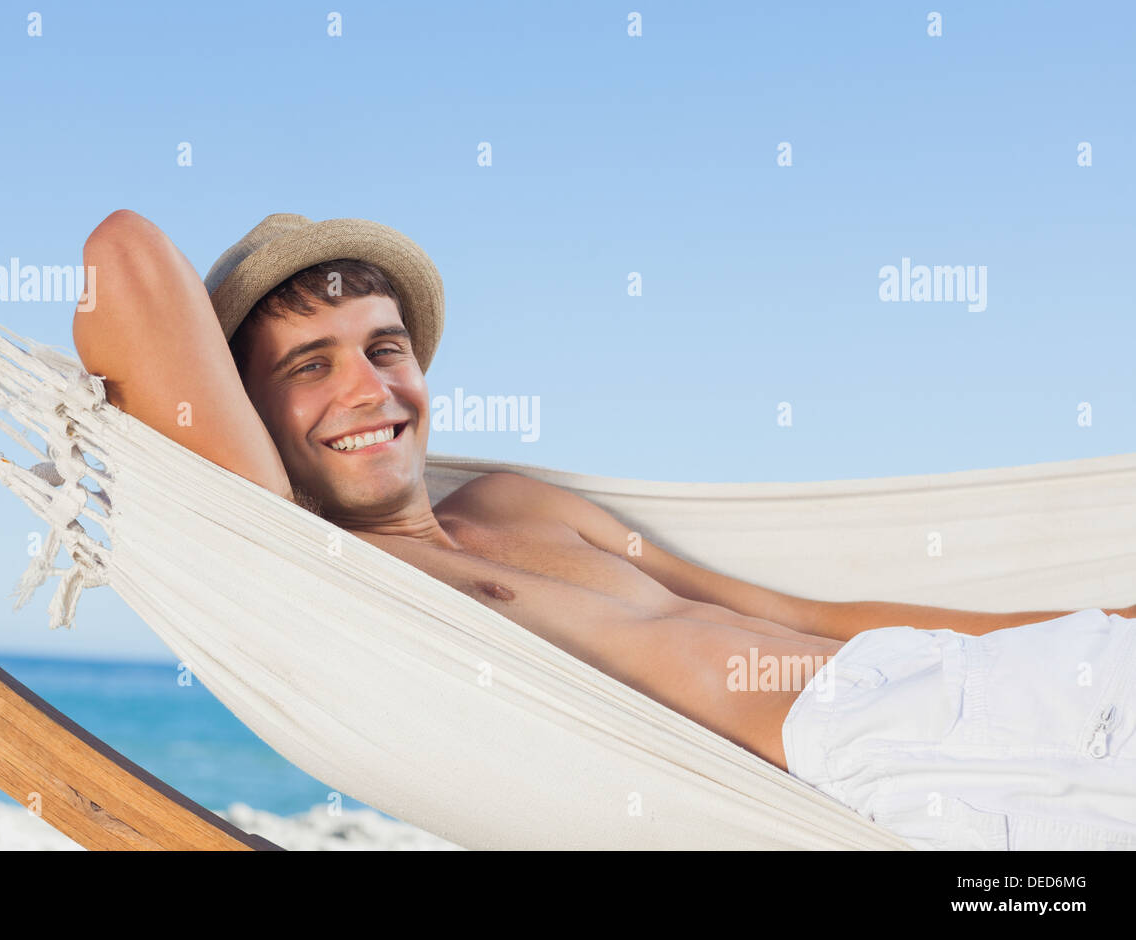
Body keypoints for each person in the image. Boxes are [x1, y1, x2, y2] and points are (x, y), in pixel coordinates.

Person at [71, 209, 1136, 849]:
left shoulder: (513, 502)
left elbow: (795, 612)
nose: (369, 388)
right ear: (244, 414)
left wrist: (1084, 615)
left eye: (385, 348)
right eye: (311, 366)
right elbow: (122, 258)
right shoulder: (327, 575)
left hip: (1007, 679)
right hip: (915, 770)